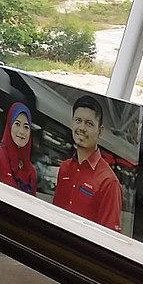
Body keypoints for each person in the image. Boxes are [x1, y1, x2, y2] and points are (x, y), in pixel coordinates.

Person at [52, 95, 122, 231]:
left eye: (89, 123)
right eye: (78, 121)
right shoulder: (64, 168)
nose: (81, 128)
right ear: (72, 123)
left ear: (100, 131)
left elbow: (109, 237)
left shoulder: (108, 182)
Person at [0, 102, 36, 195]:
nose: (22, 131)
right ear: (9, 125)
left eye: (26, 127)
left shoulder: (31, 171)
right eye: (17, 124)